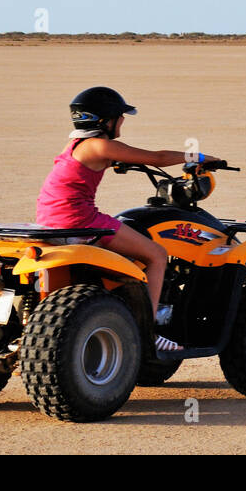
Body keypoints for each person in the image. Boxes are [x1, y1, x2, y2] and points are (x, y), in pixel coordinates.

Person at [36, 86, 220, 353]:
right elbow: (157, 158)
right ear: (106, 120)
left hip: (50, 220)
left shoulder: (76, 145)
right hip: (80, 220)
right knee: (157, 254)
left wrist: (118, 162)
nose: (122, 121)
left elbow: (100, 163)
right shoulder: (101, 145)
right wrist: (201, 157)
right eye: (119, 117)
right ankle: (149, 331)